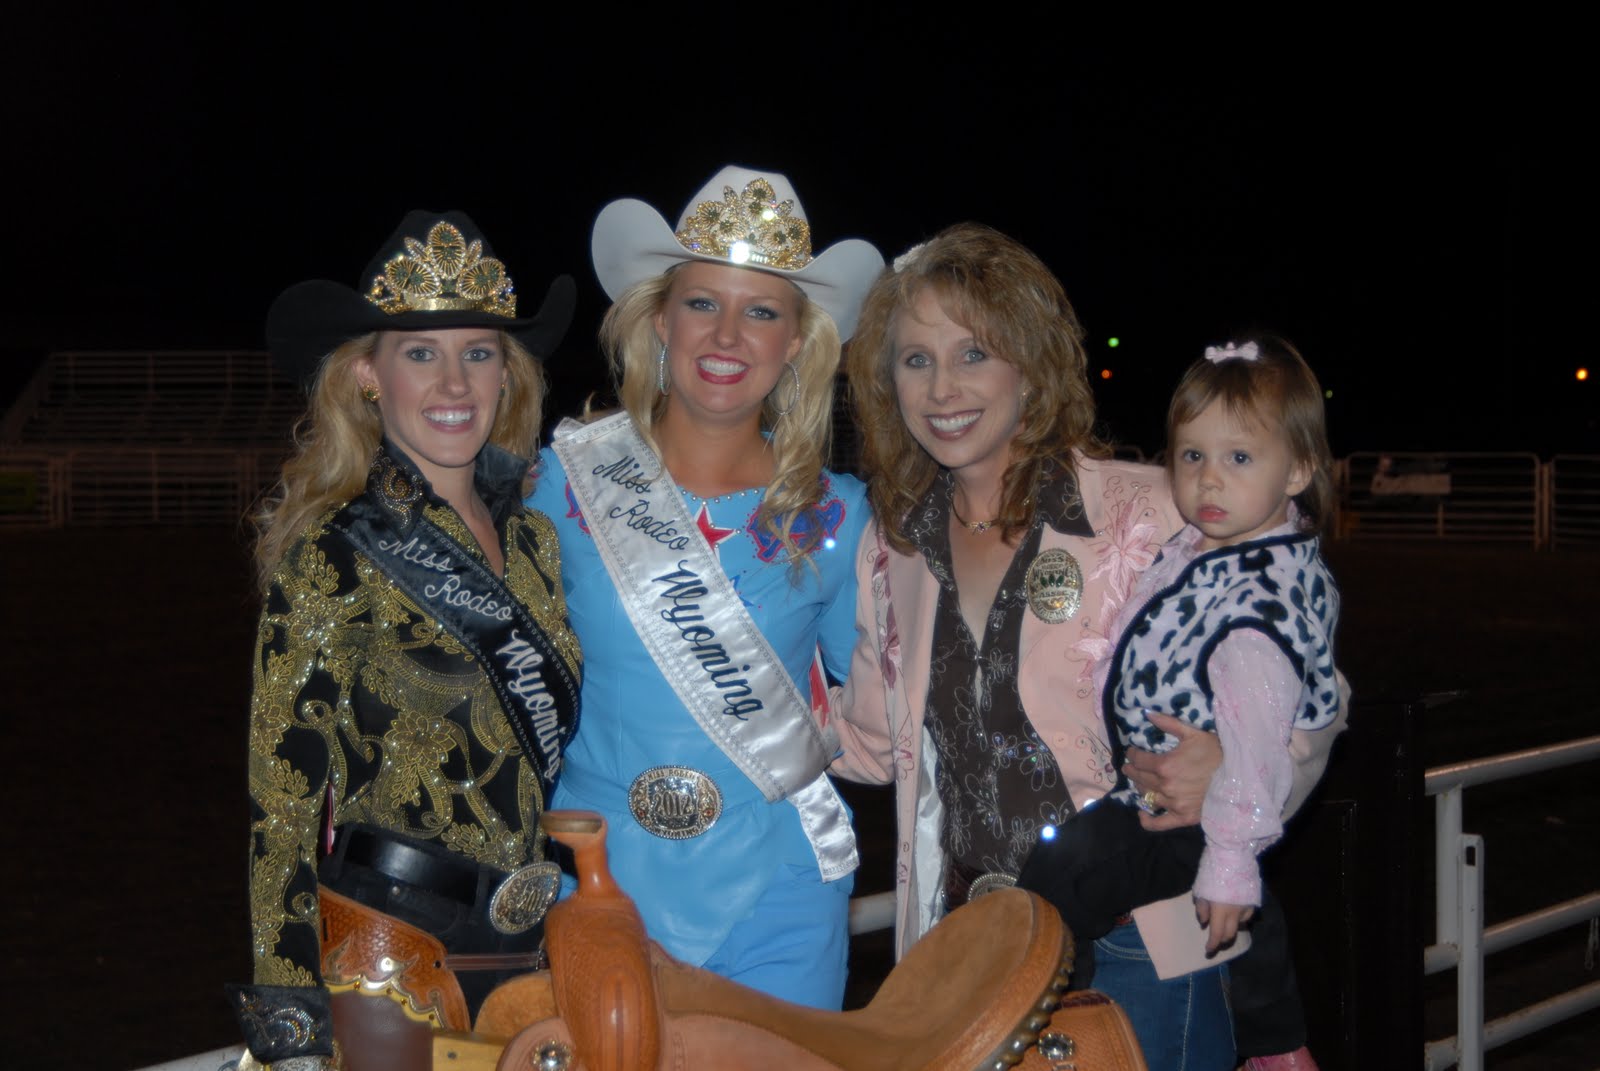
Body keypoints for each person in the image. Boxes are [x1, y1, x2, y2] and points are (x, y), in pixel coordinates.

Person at [831, 224, 1345, 1071]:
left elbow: (1299, 659)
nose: (943, 386)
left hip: (1148, 938)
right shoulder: (893, 547)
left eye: (974, 353)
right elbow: (873, 742)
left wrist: (1241, 771)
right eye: (915, 359)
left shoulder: (1150, 514)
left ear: (1030, 366)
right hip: (972, 945)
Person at [230, 211, 583, 1071]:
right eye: (420, 353)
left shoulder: (534, 544)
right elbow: (280, 800)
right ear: (366, 377)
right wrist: (292, 1027)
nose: (454, 381)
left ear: (509, 373)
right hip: (385, 951)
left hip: (527, 941)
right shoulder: (331, 553)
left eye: (479, 352)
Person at [526, 166, 883, 1009]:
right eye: (702, 303)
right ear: (659, 319)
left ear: (796, 341)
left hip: (781, 891)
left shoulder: (842, 515)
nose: (728, 334)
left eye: (762, 310)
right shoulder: (561, 482)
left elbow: (878, 708)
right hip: (598, 879)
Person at [1021, 336, 1339, 1070]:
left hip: (1178, 804)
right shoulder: (1217, 549)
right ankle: (1277, 1041)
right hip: (1174, 793)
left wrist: (1231, 859)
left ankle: (1060, 1015)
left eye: (1238, 457)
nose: (1206, 479)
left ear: (1297, 469)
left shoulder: (1256, 602)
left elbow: (1258, 744)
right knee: (1218, 903)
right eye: (1191, 456)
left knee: (1063, 877)